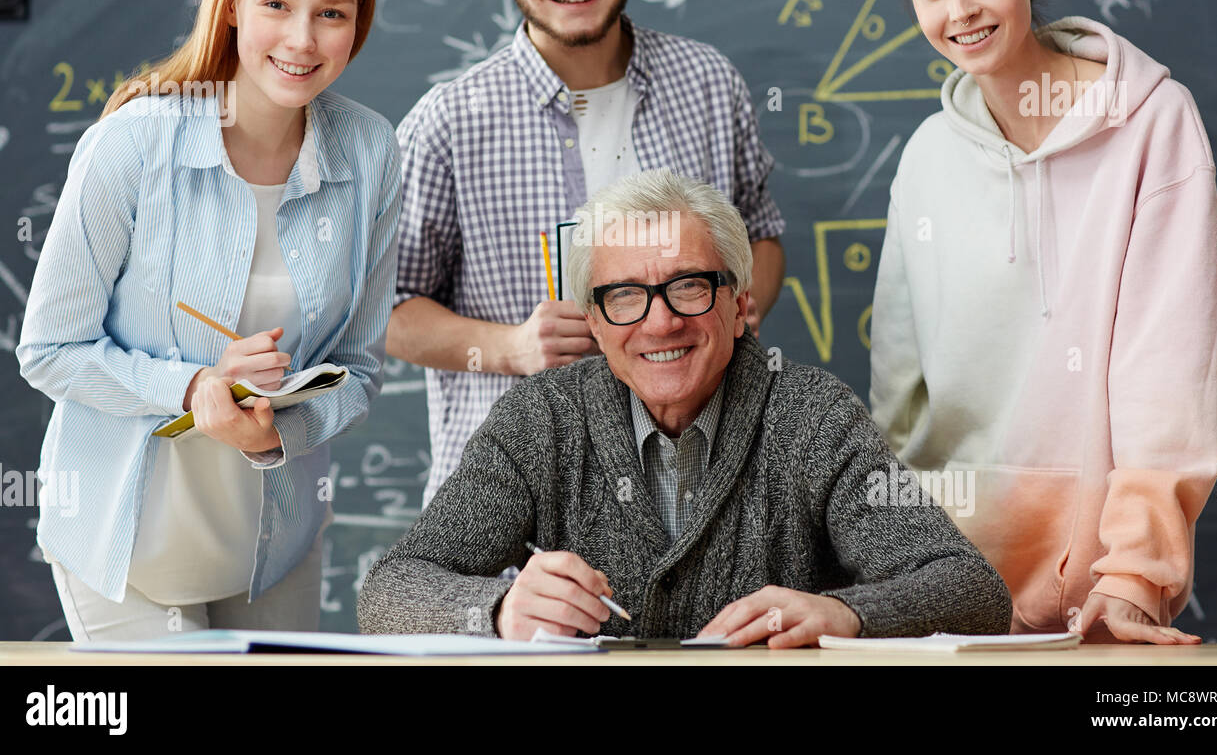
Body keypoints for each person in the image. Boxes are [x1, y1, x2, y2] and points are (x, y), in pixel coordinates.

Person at [358, 170, 1011, 643]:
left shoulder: (814, 417)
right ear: (594, 318)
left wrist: (851, 615)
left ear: (737, 303)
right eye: (624, 296)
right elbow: (388, 592)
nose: (661, 322)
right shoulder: (539, 420)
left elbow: (972, 592)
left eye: (689, 286)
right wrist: (497, 609)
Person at [862, 0, 1217, 644]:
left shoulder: (1152, 123)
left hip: (1101, 586)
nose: (963, 10)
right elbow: (900, 391)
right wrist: (891, 565)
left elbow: (1170, 366)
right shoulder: (926, 157)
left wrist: (1136, 573)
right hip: (946, 588)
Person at [16, 0, 403, 640]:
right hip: (125, 548)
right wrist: (193, 387)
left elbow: (359, 366)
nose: (302, 39)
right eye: (277, 4)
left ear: (360, 19)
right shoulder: (133, 145)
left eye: (332, 13)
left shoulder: (371, 151)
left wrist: (277, 433)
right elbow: (49, 351)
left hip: (273, 546)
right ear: (230, 3)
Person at [389, 0, 786, 508]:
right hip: (518, 512)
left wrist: (741, 307)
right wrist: (512, 347)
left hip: (702, 497)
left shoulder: (710, 84)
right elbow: (388, 311)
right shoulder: (446, 123)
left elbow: (760, 232)